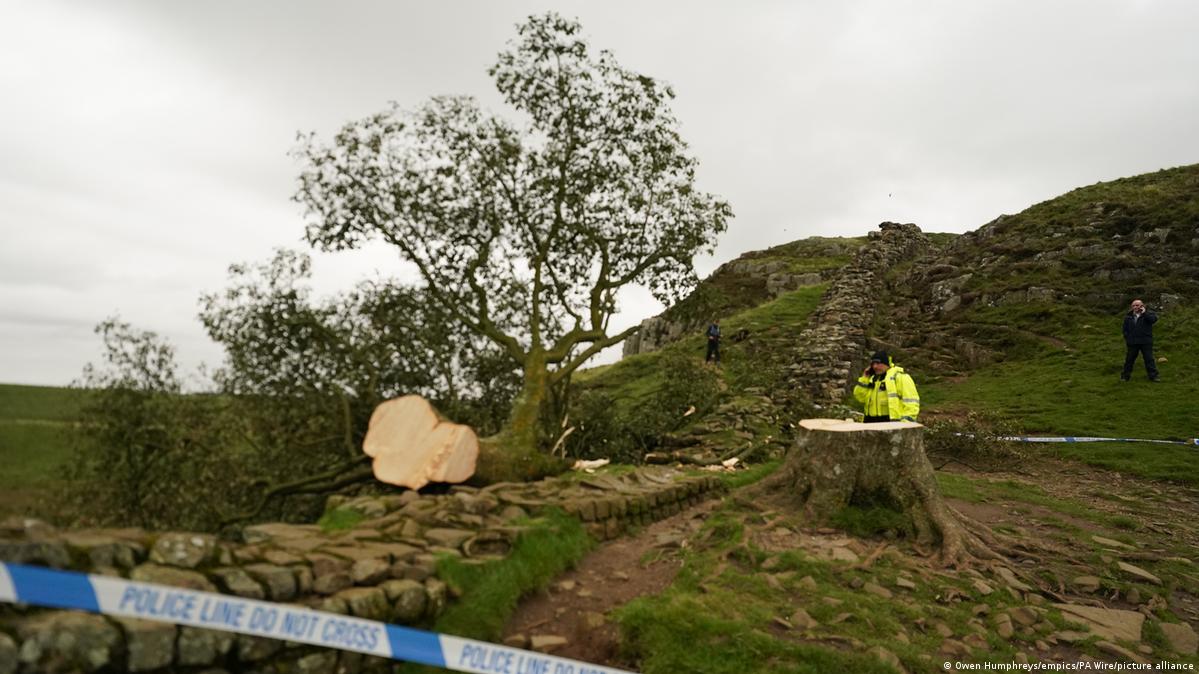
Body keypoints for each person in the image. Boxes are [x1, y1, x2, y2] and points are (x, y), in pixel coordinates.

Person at [853, 350, 920, 422]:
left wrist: (905, 423)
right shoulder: (872, 379)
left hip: (890, 423)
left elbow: (911, 402)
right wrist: (864, 378)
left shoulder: (900, 377)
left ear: (886, 363)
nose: (875, 366)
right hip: (870, 422)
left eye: (878, 363)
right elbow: (860, 398)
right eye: (873, 364)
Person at [1121, 298, 1160, 382]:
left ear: (1142, 306)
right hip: (1133, 342)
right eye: (1133, 305)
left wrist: (1144, 313)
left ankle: (1154, 377)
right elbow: (1125, 329)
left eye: (1137, 305)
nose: (1135, 307)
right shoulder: (1128, 316)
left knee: (1149, 359)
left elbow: (1153, 320)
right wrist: (1128, 338)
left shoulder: (1148, 314)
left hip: (1145, 342)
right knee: (1129, 360)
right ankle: (1125, 377)